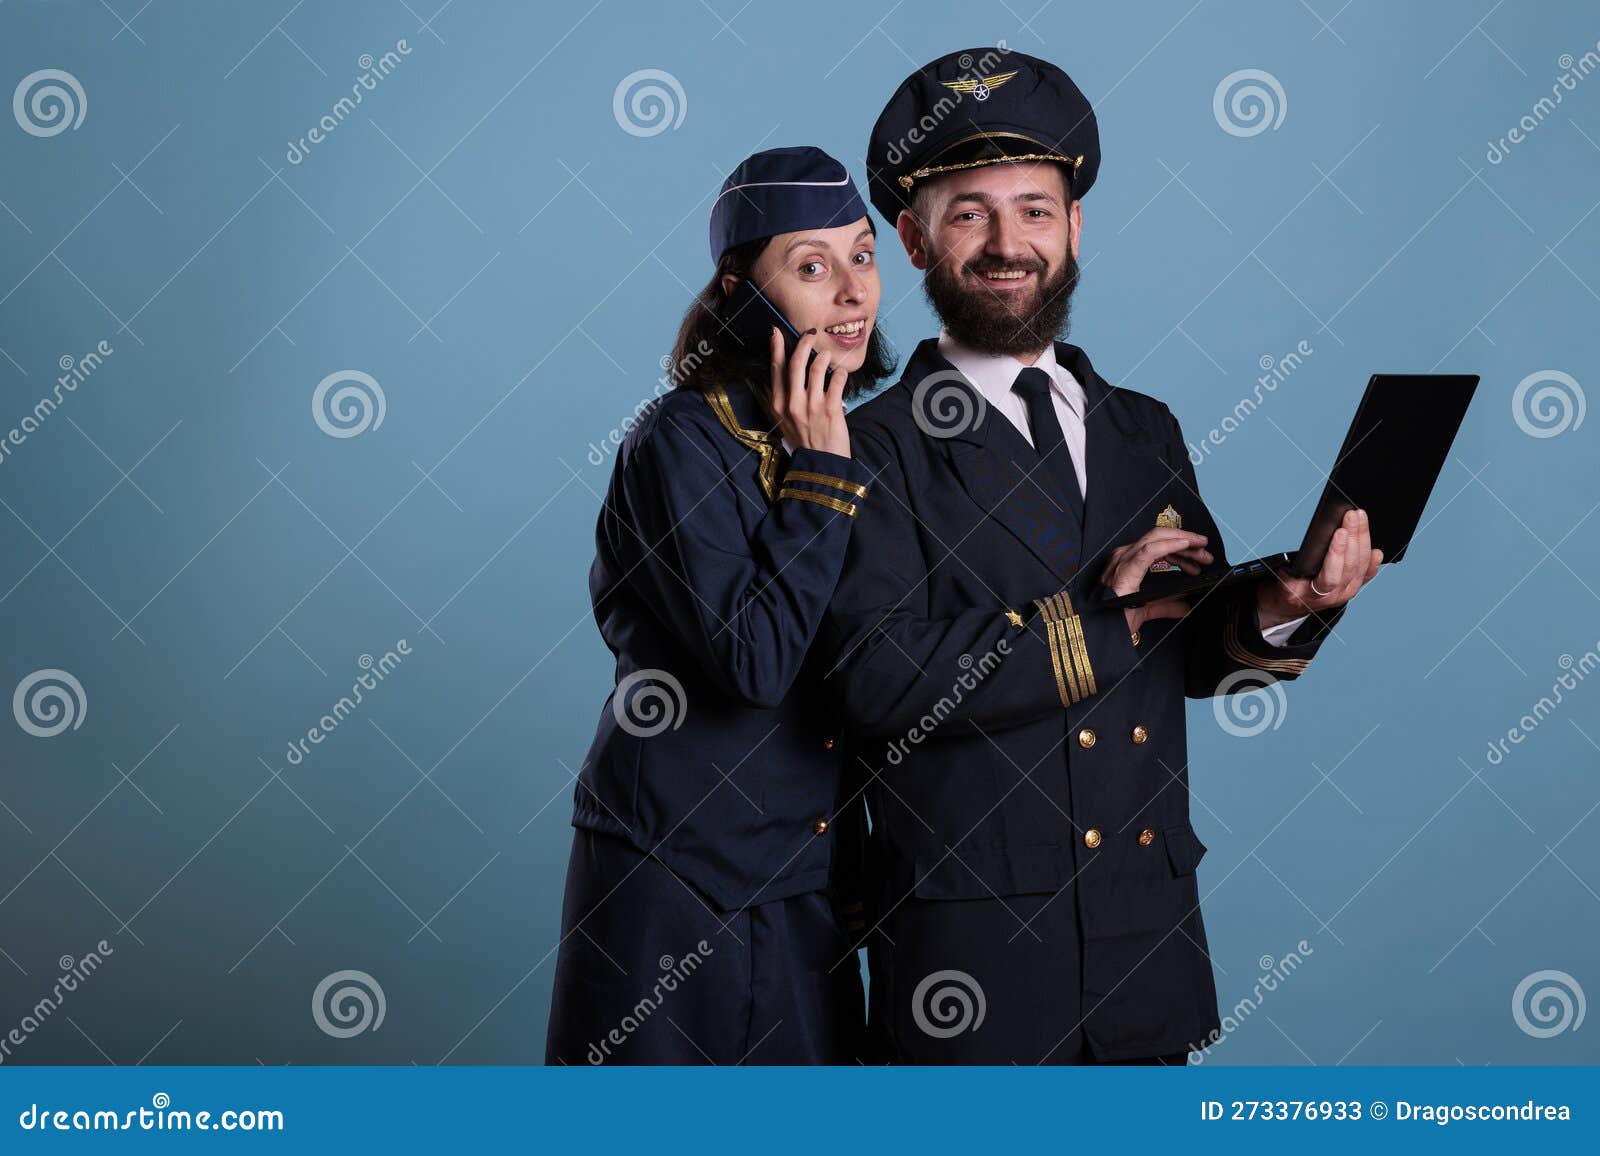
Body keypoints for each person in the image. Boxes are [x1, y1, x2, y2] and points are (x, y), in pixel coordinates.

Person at [823, 49, 1379, 1064]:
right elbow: (874, 681)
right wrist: (1099, 624)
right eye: (967, 212)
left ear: (1074, 227)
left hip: (1142, 948)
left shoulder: (1143, 430)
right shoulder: (866, 451)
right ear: (910, 238)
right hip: (971, 967)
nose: (1007, 243)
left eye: (1034, 209)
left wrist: (1286, 601)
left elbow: (1192, 651)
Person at [545, 146, 893, 1065]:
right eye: (812, 267)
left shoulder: (857, 440)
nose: (852, 292)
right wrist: (819, 475)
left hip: (805, 875)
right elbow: (758, 661)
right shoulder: (678, 443)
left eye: (863, 256)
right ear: (741, 290)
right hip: (674, 868)